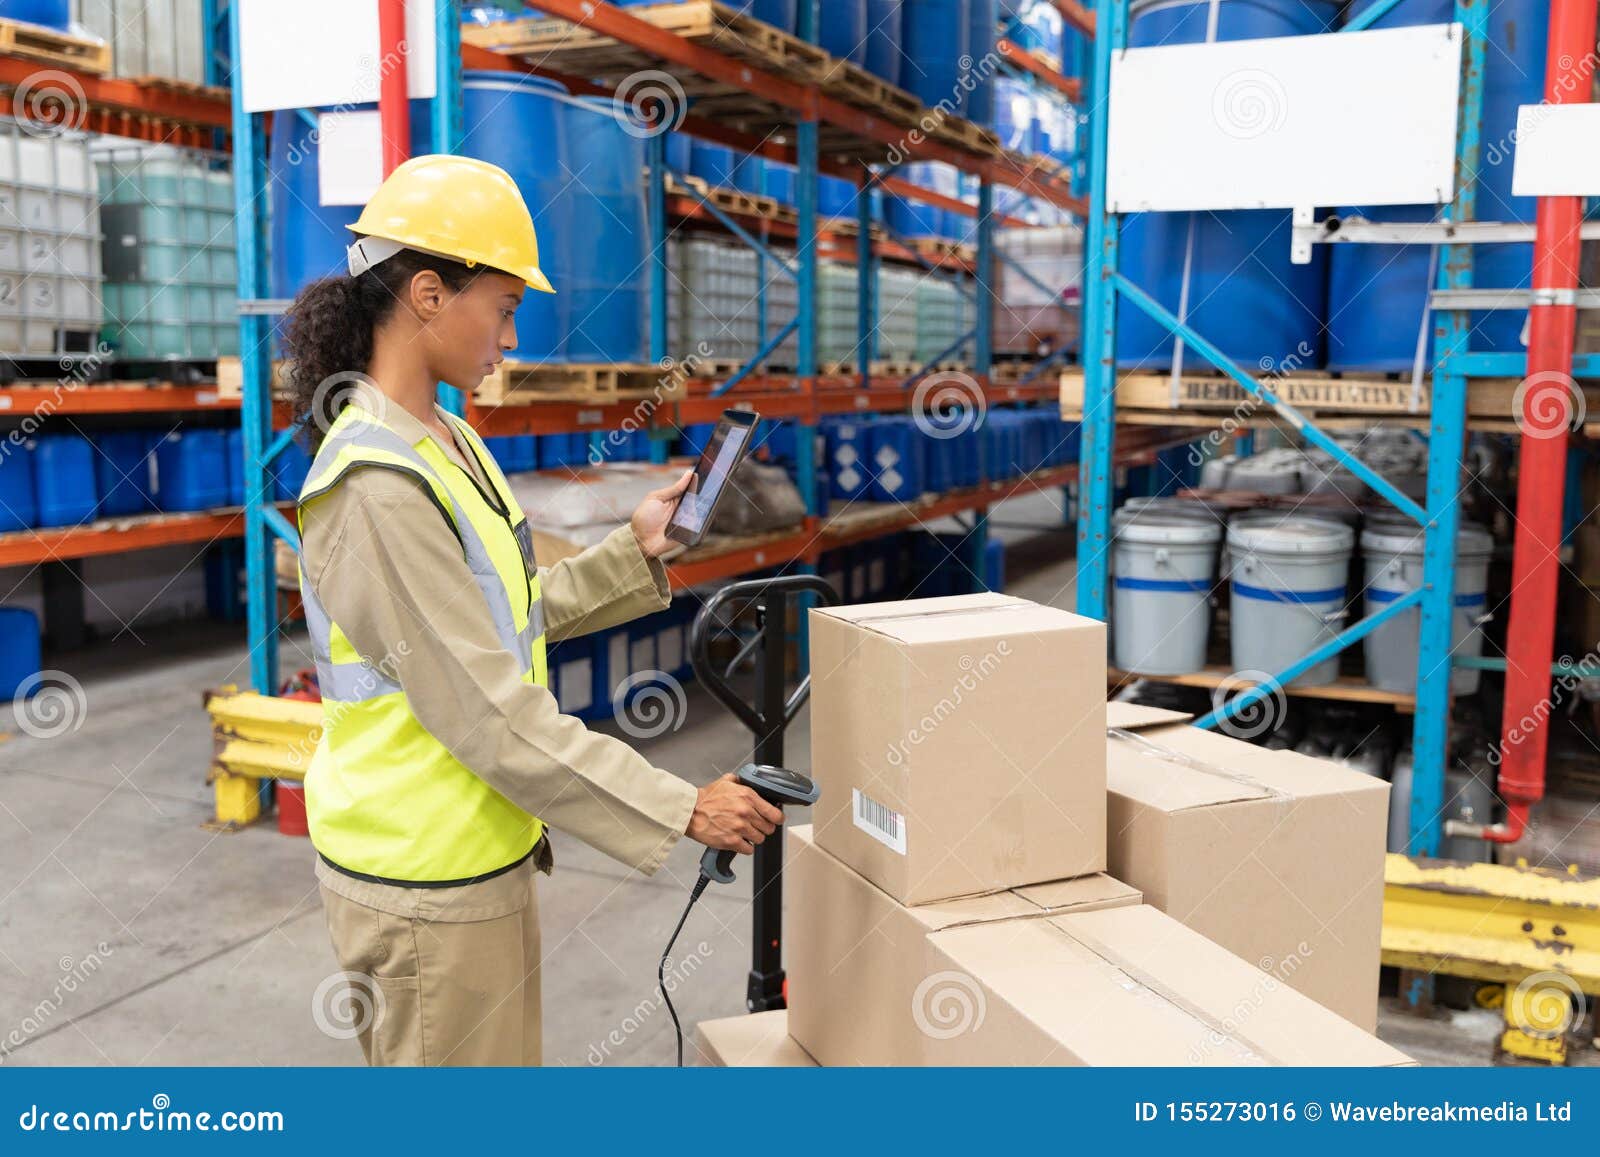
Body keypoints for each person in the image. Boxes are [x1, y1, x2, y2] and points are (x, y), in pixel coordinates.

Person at [281, 154, 783, 1066]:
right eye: (505, 309)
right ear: (429, 294)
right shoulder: (376, 484)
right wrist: (679, 804)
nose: (511, 339)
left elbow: (503, 614)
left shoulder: (444, 436)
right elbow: (483, 709)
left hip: (477, 849)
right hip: (423, 875)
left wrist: (633, 552)